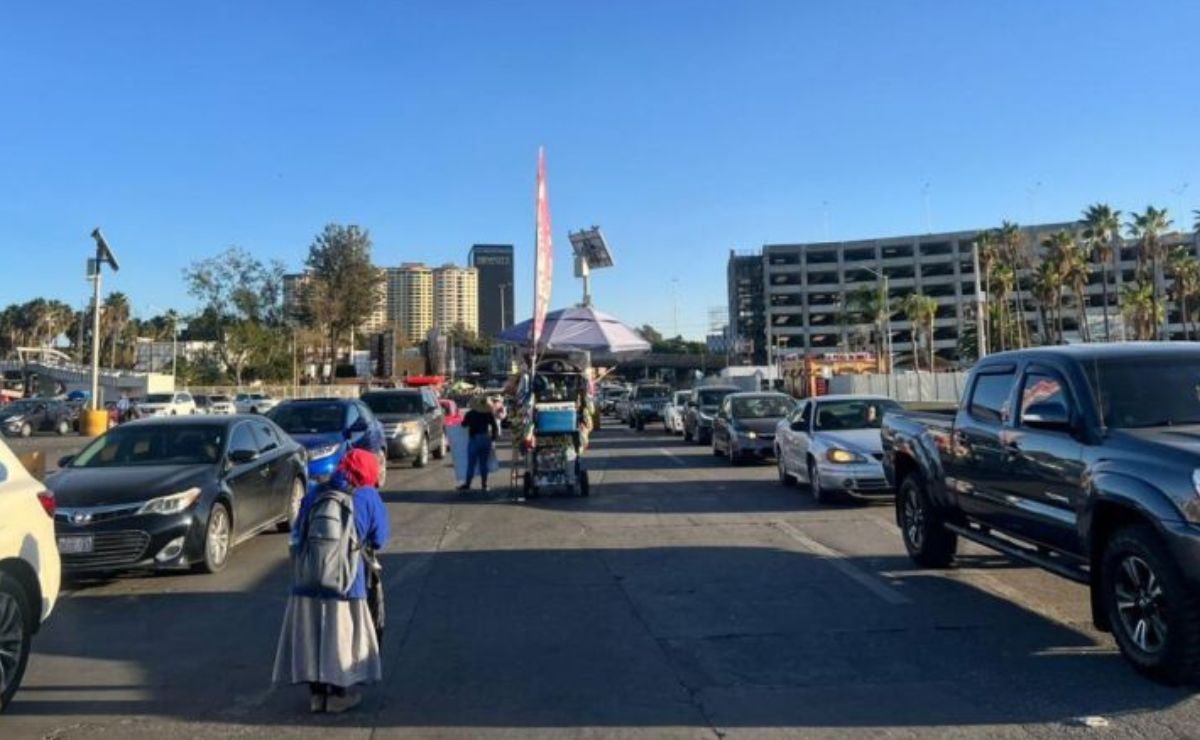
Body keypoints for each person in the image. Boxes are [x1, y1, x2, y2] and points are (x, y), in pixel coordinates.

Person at [273, 448, 390, 714]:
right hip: (346, 583)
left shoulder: (316, 491)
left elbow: (298, 532)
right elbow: (380, 538)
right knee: (341, 637)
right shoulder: (367, 496)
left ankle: (317, 697)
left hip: (307, 580)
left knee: (311, 636)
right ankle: (338, 695)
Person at [458, 394, 499, 492]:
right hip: (485, 438)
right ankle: (484, 485)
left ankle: (467, 484)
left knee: (471, 463)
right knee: (483, 463)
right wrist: (493, 438)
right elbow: (495, 427)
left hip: (474, 438)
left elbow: (463, 425)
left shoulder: (470, 414)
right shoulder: (488, 413)